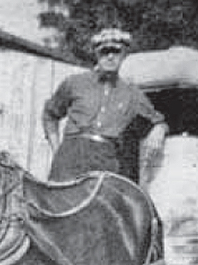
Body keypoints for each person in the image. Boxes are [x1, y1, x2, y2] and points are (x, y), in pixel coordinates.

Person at [43, 28, 168, 182]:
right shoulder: (74, 83)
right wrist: (57, 150)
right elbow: (50, 114)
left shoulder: (132, 93)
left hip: (106, 162)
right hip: (70, 158)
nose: (110, 57)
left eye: (116, 52)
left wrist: (159, 130)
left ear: (123, 56)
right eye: (104, 52)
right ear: (96, 54)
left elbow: (158, 120)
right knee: (55, 201)